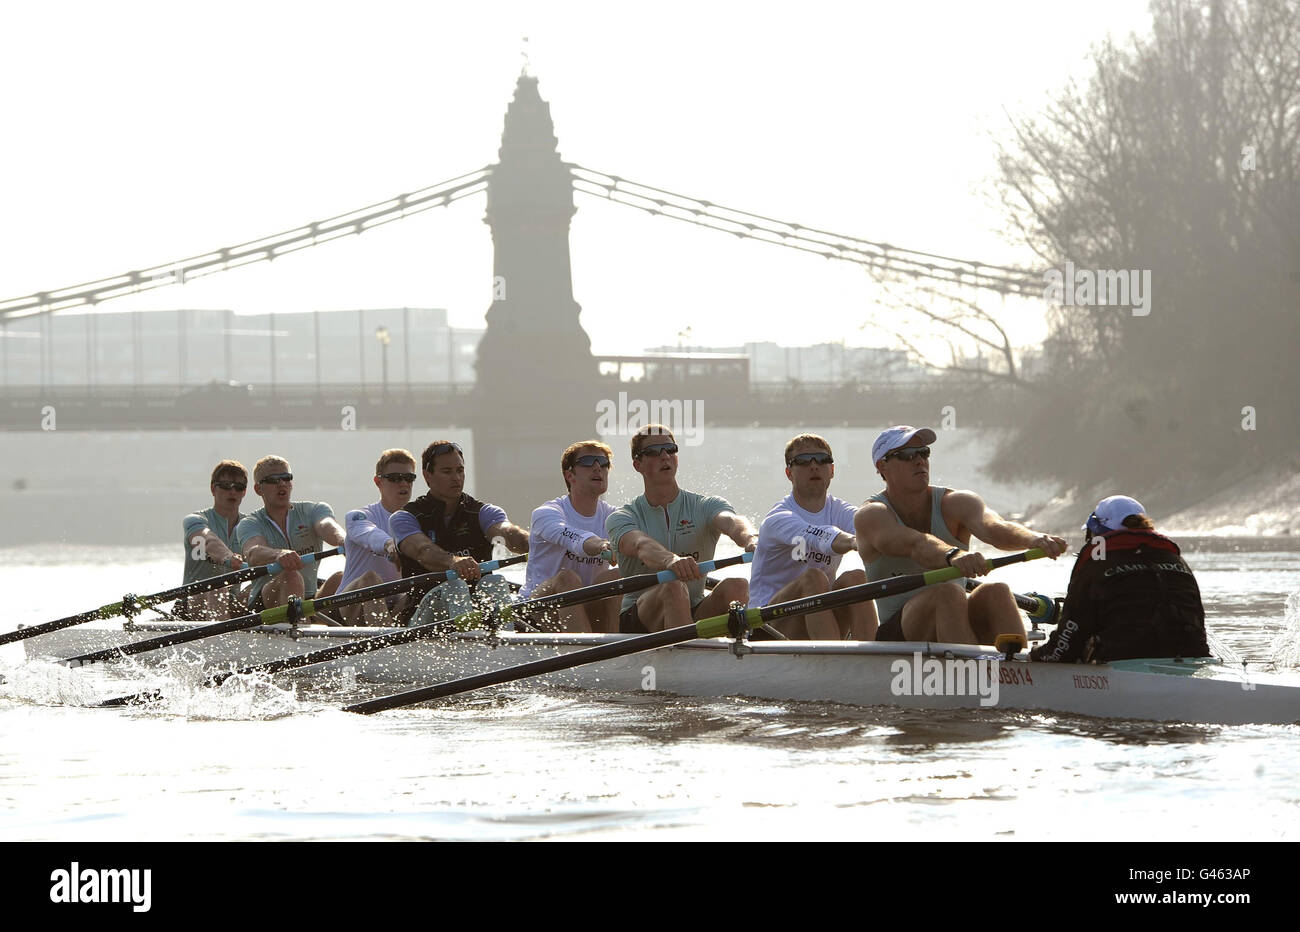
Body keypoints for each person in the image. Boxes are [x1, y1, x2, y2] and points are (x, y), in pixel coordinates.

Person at [854, 426, 1067, 645]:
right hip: (899, 633)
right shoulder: (872, 515)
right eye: (907, 455)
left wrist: (1034, 539)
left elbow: (994, 527)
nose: (919, 461)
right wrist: (953, 555)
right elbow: (915, 544)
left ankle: (1019, 673)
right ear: (882, 466)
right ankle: (969, 673)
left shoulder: (956, 503)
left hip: (952, 617)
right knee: (947, 594)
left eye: (923, 452)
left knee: (997, 591)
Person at [606, 425, 755, 634]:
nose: (665, 456)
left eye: (670, 449)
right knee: (673, 586)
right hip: (639, 616)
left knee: (737, 585)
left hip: (693, 606)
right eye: (654, 452)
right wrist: (671, 561)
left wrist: (750, 538)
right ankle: (688, 659)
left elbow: (731, 522)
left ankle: (735, 657)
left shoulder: (704, 505)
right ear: (637, 464)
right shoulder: (623, 517)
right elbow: (640, 545)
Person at [1031, 495, 1209, 663]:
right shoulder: (1175, 560)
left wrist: (1037, 655)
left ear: (1097, 531)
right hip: (1191, 654)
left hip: (1123, 662)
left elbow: (1068, 642)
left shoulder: (1096, 565)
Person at [750, 435, 876, 639]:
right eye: (803, 461)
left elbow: (872, 526)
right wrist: (854, 541)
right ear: (789, 473)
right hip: (767, 626)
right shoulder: (779, 518)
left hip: (816, 616)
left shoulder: (840, 510)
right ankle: (832, 659)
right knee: (814, 577)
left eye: (822, 459)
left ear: (832, 470)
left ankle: (870, 659)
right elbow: (818, 537)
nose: (814, 466)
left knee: (856, 577)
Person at [392, 440, 529, 621]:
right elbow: (422, 551)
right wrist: (453, 561)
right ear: (427, 476)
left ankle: (503, 641)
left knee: (495, 582)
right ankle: (471, 642)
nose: (456, 478)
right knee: (455, 586)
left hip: (477, 606)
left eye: (460, 470)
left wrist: (531, 542)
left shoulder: (483, 512)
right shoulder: (405, 517)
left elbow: (507, 533)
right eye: (447, 472)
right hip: (424, 610)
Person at [519, 441, 622, 632]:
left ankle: (614, 652)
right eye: (588, 461)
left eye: (603, 462)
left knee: (615, 577)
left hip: (586, 603)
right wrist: (602, 546)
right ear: (569, 475)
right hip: (537, 609)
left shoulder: (614, 517)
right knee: (567, 578)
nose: (597, 467)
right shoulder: (547, 513)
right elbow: (572, 538)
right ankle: (588, 654)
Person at [234, 456, 346, 612]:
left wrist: (344, 540)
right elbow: (253, 553)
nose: (282, 484)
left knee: (341, 578)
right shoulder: (250, 523)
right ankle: (302, 628)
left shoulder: (314, 510)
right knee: (291, 576)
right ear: (259, 489)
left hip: (309, 597)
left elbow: (327, 525)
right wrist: (278, 554)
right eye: (273, 480)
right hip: (265, 601)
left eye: (286, 478)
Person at [334, 448, 417, 626]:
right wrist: (390, 546)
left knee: (426, 588)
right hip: (350, 603)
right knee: (370, 579)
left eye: (409, 478)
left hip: (395, 602)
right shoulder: (358, 516)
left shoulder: (419, 521)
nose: (403, 483)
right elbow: (369, 534)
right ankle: (387, 647)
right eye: (395, 478)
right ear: (378, 482)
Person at [179, 459, 249, 620]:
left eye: (238, 487)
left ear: (244, 492)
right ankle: (222, 642)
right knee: (218, 587)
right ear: (213, 489)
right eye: (225, 486)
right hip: (192, 601)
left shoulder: (250, 526)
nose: (232, 492)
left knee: (268, 585)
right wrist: (228, 558)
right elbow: (208, 540)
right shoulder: (195, 520)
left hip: (231, 602)